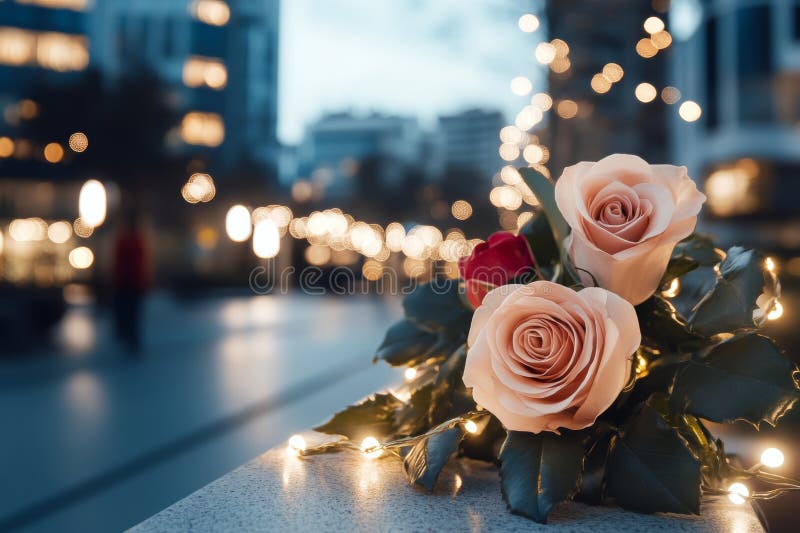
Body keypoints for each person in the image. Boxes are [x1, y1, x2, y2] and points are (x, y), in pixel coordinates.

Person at [111, 208, 150, 353]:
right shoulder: (131, 240)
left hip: (130, 283)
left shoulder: (128, 240)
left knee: (132, 313)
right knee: (132, 313)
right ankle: (130, 337)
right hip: (129, 283)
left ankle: (130, 337)